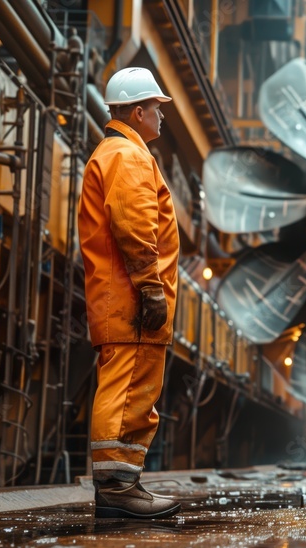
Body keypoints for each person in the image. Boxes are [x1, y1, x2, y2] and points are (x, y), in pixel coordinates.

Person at [77, 67, 181, 519]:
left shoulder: (115, 152)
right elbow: (136, 227)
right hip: (132, 302)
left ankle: (119, 486)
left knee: (125, 389)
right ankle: (119, 489)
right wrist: (150, 289)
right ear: (138, 112)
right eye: (157, 109)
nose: (162, 118)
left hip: (119, 299)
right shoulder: (128, 156)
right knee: (128, 392)